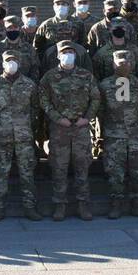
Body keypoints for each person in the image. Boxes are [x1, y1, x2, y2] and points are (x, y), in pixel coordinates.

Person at [38, 41, 100, 221]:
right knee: (59, 168)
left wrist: (87, 118)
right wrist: (58, 118)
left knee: (82, 167)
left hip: (81, 128)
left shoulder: (86, 75)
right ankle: (60, 205)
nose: (68, 55)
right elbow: (44, 100)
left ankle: (83, 204)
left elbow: (95, 98)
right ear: (58, 55)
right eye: (64, 52)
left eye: (71, 52)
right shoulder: (49, 77)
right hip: (59, 129)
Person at [0, 49, 39, 222]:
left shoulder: (29, 85)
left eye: (14, 60)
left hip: (24, 137)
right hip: (2, 137)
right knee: (1, 174)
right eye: (8, 60)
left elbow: (35, 108)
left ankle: (30, 208)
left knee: (27, 173)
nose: (11, 63)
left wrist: (28, 124)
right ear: (2, 63)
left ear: (19, 63)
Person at [98, 50, 138, 219]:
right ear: (113, 64)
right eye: (120, 63)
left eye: (127, 63)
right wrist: (99, 136)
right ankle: (116, 203)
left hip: (135, 135)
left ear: (132, 64)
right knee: (115, 172)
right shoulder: (105, 85)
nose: (123, 66)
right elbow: (100, 112)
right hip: (114, 135)